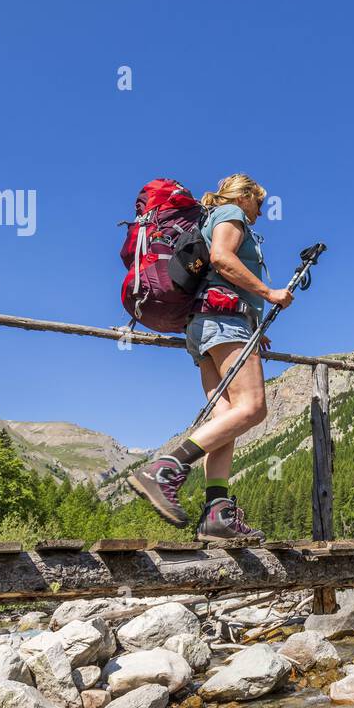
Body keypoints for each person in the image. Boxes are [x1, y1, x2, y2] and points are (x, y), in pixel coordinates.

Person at [127, 173, 293, 540]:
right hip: (223, 321)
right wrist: (269, 293)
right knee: (252, 409)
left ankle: (217, 513)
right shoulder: (231, 213)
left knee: (224, 422)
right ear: (246, 195)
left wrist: (253, 325)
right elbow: (221, 259)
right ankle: (166, 469)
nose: (261, 212)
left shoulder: (210, 217)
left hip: (206, 326)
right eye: (259, 203)